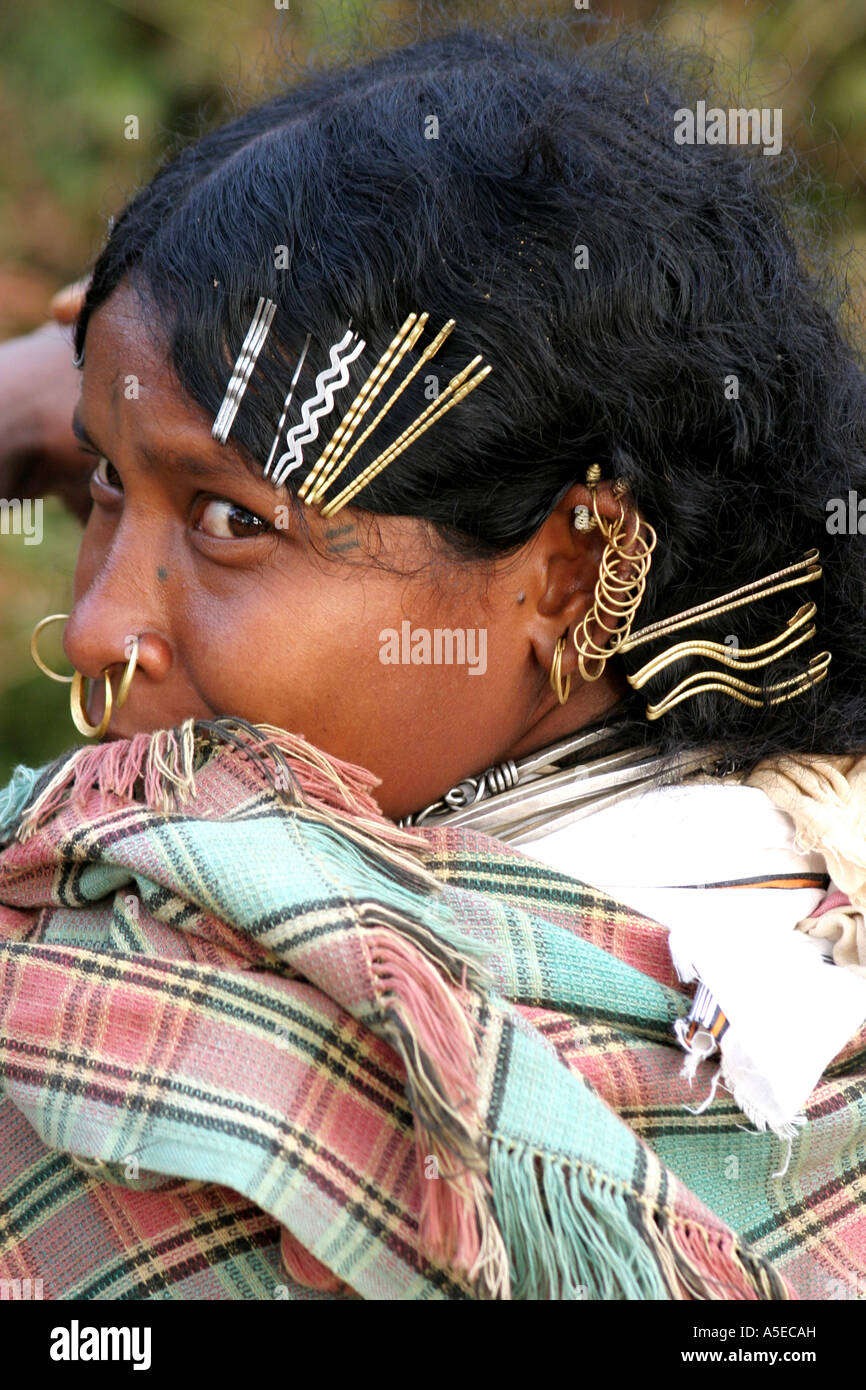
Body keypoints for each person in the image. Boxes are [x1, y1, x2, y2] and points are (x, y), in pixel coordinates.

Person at [1, 21, 866, 1301]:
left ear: (570, 568)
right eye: (106, 493)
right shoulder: (798, 916)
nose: (95, 633)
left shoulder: (146, 1038)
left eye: (233, 520)